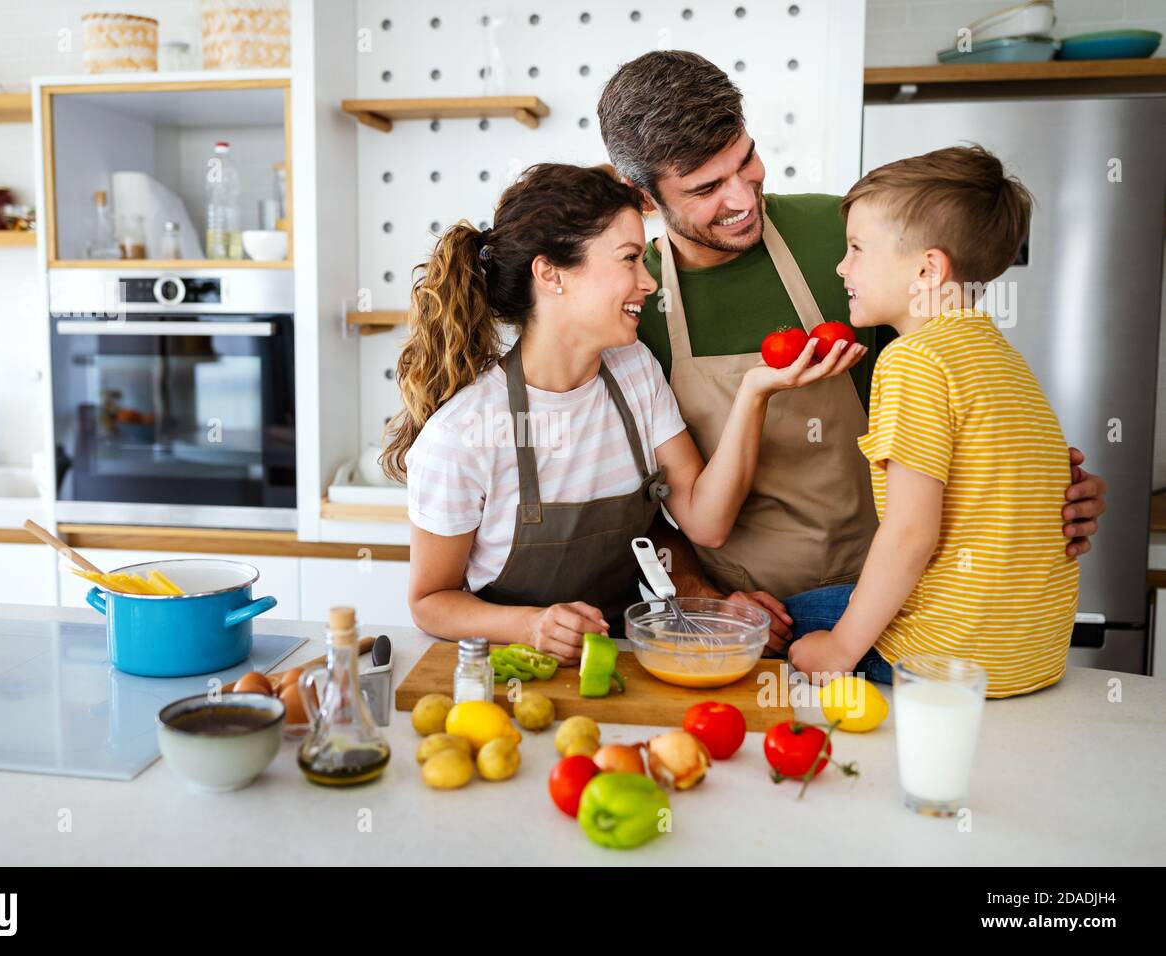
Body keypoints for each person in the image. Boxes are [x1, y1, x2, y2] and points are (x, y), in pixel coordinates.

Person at [595, 51, 1107, 655]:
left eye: (747, 160)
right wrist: (698, 593)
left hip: (906, 606)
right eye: (706, 188)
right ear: (643, 196)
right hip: (751, 625)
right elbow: (635, 512)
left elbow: (964, 386)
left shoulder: (842, 233)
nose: (742, 198)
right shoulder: (633, 302)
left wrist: (1044, 487)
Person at [384, 163, 863, 663]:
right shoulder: (463, 434)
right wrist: (530, 624)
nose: (648, 282)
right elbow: (429, 602)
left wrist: (755, 393)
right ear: (551, 275)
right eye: (630, 259)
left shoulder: (632, 371)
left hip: (629, 658)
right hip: (515, 670)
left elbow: (707, 522)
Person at [787, 146, 1078, 696]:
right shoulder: (1002, 358)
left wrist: (840, 650)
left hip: (944, 659)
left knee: (777, 620)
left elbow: (910, 534)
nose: (841, 267)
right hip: (1029, 657)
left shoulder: (913, 359)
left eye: (856, 249)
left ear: (927, 268)